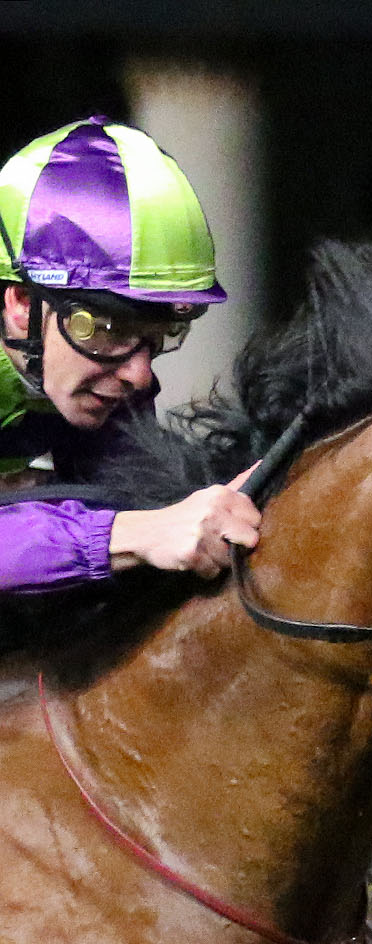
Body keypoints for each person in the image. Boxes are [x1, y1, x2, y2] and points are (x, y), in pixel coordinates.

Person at [0, 117, 258, 590]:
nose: (139, 375)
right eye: (106, 329)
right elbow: (140, 527)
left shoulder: (96, 378)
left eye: (160, 335)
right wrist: (131, 535)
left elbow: (131, 498)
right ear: (21, 304)